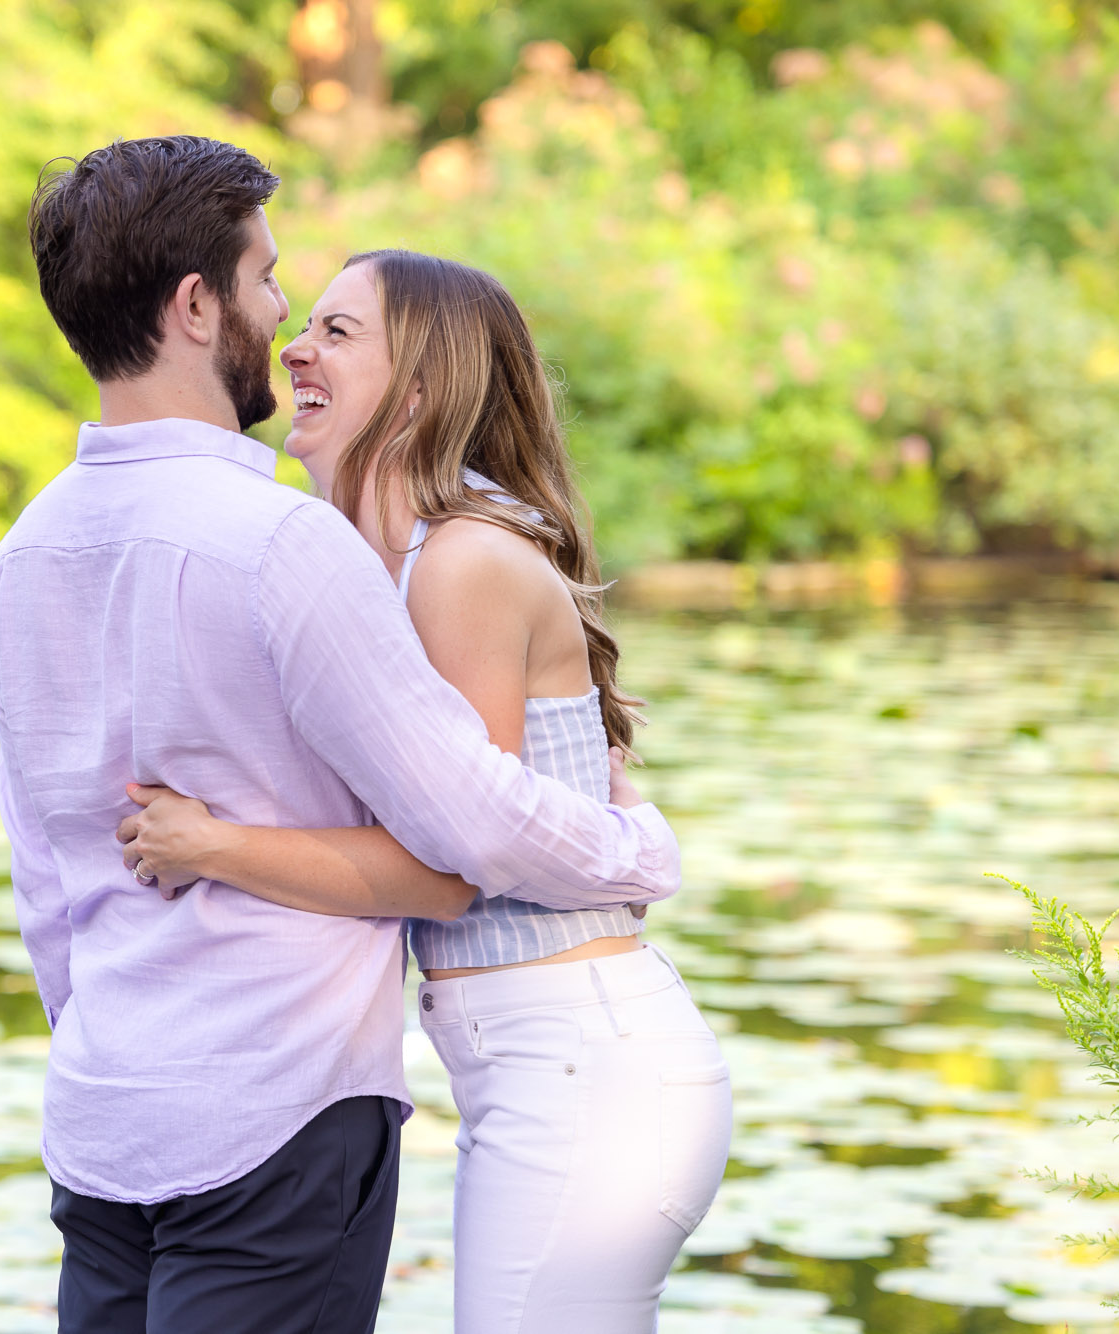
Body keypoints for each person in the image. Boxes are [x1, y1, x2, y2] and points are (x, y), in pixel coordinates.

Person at [0, 135, 684, 1334]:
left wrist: (112, 1034)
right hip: (277, 1112)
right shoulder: (281, 545)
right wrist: (636, 847)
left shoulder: (18, 558)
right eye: (264, 281)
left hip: (102, 1114)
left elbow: (44, 878)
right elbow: (466, 827)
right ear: (195, 307)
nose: (283, 316)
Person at [116, 250, 732, 1333]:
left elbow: (448, 864)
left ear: (420, 389)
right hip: (543, 1062)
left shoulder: (458, 563)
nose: (296, 347)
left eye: (339, 332)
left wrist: (208, 843)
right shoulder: (386, 564)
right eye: (303, 321)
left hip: (582, 1066)